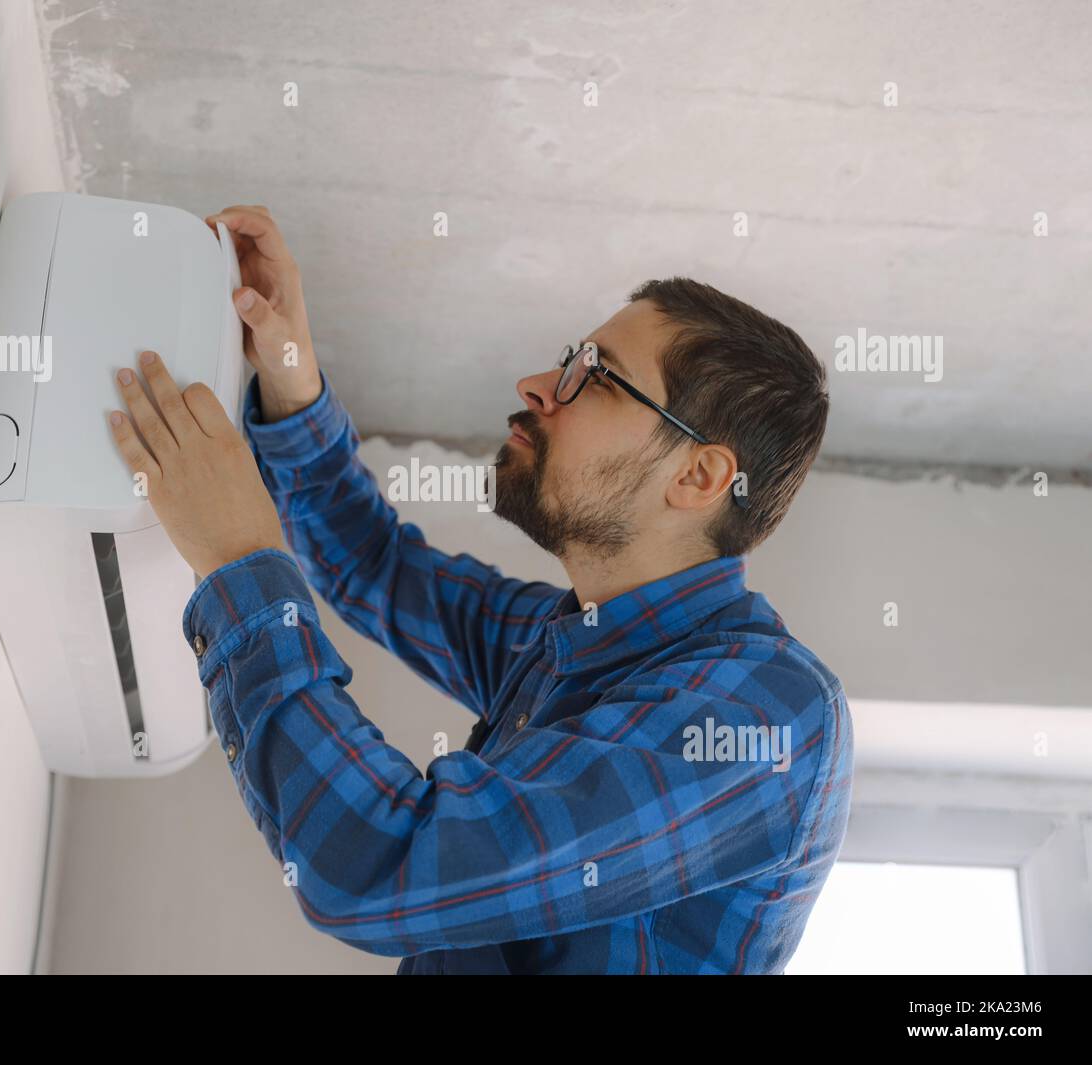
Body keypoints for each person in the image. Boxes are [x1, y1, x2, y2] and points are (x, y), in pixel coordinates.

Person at [105, 203, 853, 974]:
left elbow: (380, 866)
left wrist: (239, 559)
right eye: (570, 360)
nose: (536, 385)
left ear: (698, 474)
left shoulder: (765, 720)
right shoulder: (573, 642)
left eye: (595, 378)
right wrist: (290, 380)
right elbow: (377, 566)